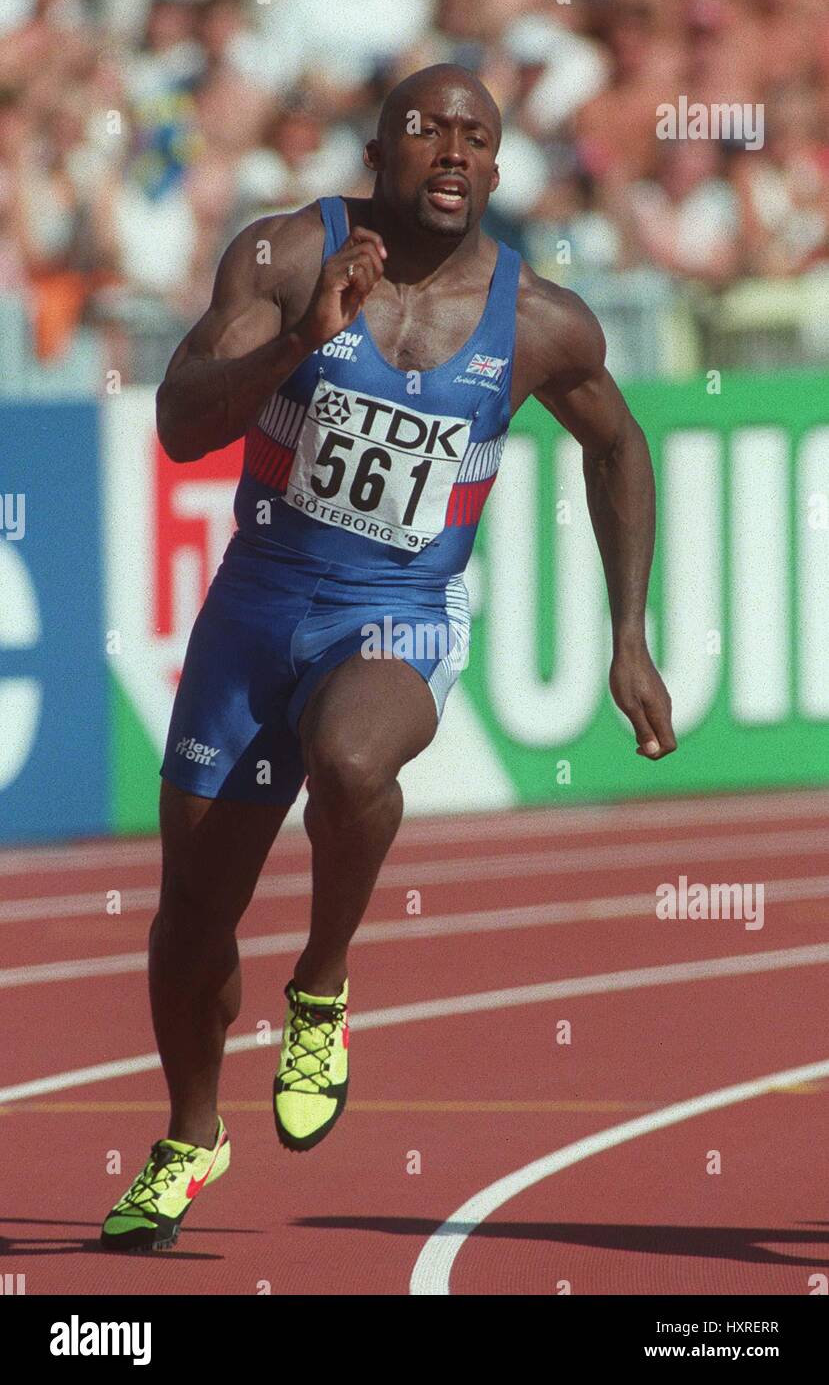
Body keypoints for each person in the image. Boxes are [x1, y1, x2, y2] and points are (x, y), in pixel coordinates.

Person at [100, 63, 675, 1253]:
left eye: (477, 137)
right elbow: (178, 419)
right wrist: (302, 344)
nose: (453, 152)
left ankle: (321, 983)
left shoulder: (544, 322)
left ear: (501, 171)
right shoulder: (283, 259)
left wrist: (629, 636)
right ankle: (191, 1133)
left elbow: (619, 450)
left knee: (353, 757)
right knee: (193, 917)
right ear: (377, 153)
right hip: (255, 609)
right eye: (429, 131)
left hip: (399, 612)